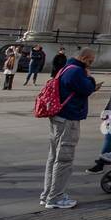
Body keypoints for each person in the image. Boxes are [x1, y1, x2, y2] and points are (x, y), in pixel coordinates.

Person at [41, 47, 97, 209]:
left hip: (58, 117)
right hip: (68, 119)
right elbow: (87, 89)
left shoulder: (66, 68)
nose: (91, 64)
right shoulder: (77, 72)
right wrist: (90, 79)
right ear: (85, 58)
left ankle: (47, 194)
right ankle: (56, 197)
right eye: (91, 61)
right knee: (64, 158)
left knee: (53, 157)